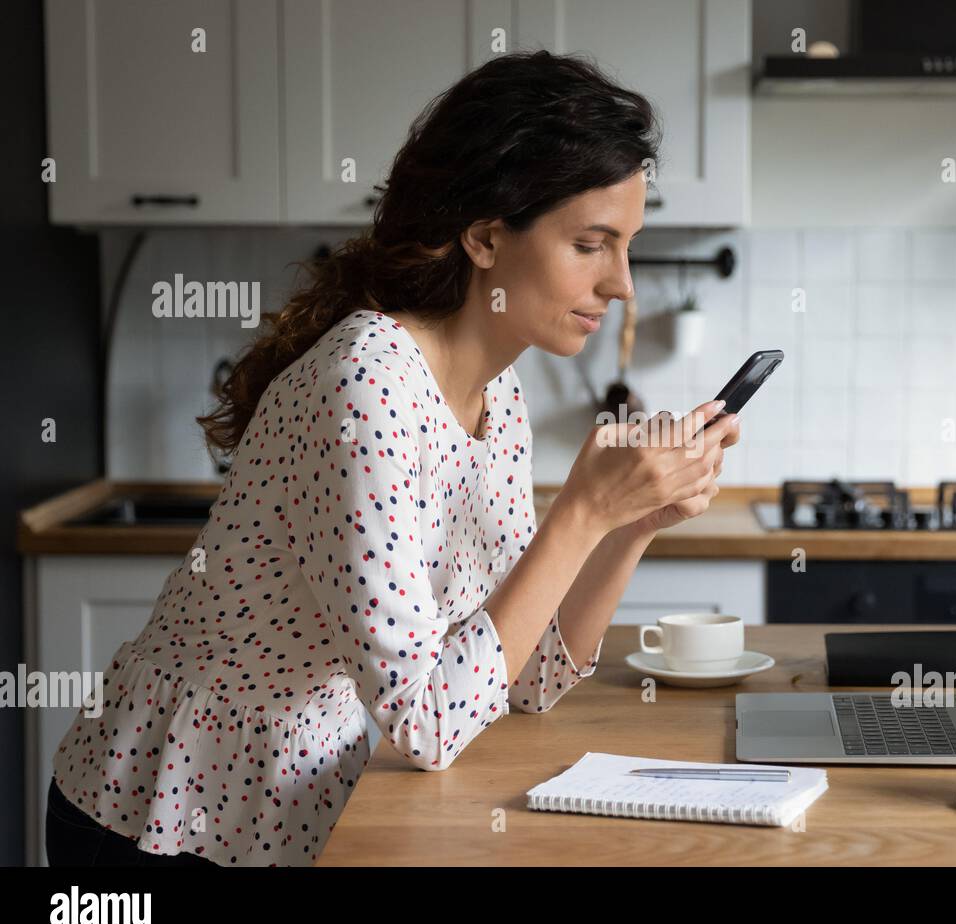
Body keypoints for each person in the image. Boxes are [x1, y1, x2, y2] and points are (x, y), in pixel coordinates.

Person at [46, 49, 741, 867]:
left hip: (300, 807)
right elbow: (430, 722)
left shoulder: (498, 395)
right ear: (485, 237)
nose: (622, 284)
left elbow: (517, 682)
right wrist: (581, 510)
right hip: (162, 815)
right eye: (593, 244)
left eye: (627, 247)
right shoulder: (365, 386)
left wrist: (628, 525)